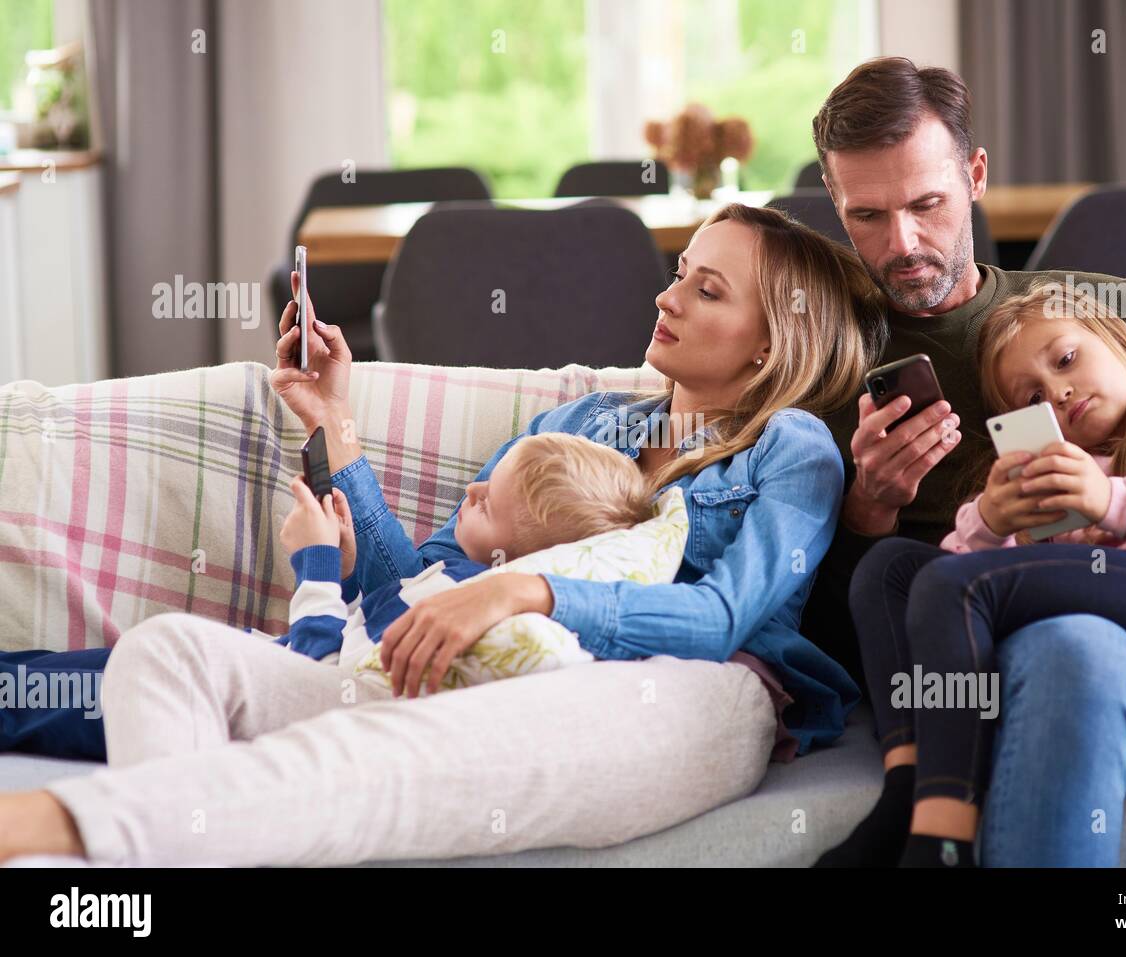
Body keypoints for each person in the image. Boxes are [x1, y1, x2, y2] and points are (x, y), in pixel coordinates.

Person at [0, 203, 887, 865]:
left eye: (707, 287)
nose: (667, 294)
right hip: (482, 662)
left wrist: (526, 588)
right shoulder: (587, 419)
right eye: (681, 268)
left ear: (772, 346)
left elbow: (723, 616)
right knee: (166, 654)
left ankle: (75, 831)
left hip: (686, 690)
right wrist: (333, 425)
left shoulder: (793, 446)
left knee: (377, 755)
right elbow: (422, 584)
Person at [802, 56, 1126, 866]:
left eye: (927, 204)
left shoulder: (1105, 311)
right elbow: (830, 632)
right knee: (1081, 645)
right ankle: (927, 805)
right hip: (1029, 647)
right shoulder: (825, 367)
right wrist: (868, 512)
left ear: (975, 175)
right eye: (867, 215)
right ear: (836, 203)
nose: (903, 243)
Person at [842, 282, 1126, 866]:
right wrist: (989, 523)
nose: (1058, 392)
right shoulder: (1052, 478)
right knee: (913, 571)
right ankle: (912, 781)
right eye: (1031, 398)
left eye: (1066, 359)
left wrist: (1113, 500)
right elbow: (951, 617)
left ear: (1120, 344)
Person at [274, 432, 661, 693]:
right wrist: (345, 576)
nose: (470, 490)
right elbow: (356, 639)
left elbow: (318, 681)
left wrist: (316, 562)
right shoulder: (454, 578)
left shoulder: (455, 602)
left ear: (521, 557)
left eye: (487, 503)